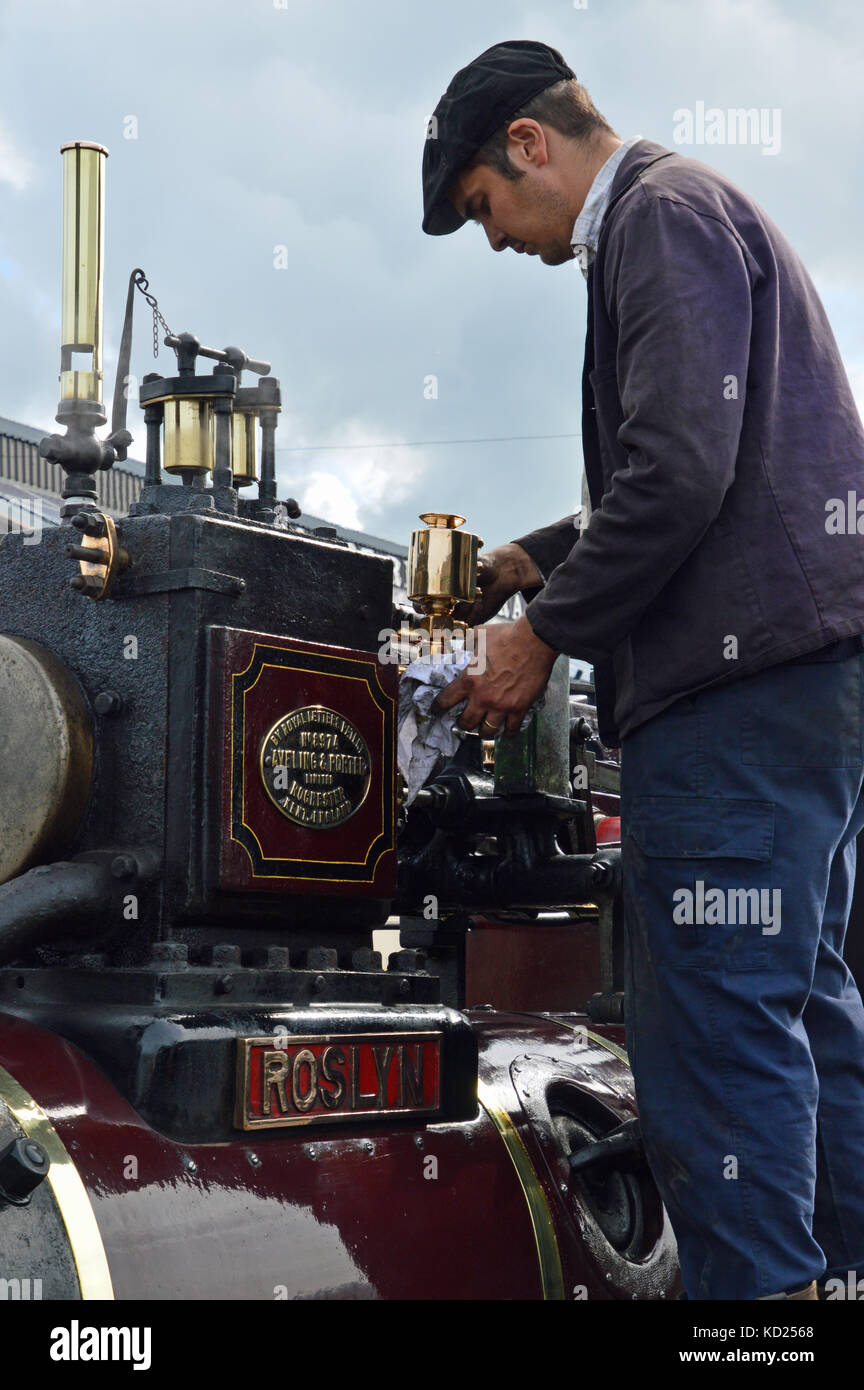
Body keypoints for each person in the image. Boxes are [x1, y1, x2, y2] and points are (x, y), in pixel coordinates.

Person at [421, 38, 864, 1301]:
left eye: (483, 207)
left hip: (733, 701)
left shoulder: (657, 220)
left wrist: (544, 630)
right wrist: (532, 555)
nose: (497, 238)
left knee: (719, 1034)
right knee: (805, 1006)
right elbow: (687, 467)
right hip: (803, 687)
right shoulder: (696, 207)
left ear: (528, 144)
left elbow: (676, 473)